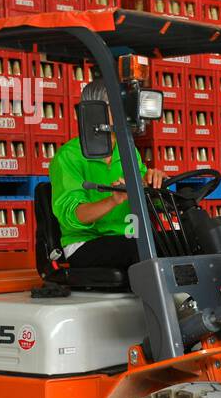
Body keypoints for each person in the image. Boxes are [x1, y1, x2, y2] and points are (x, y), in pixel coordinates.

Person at [48, 80, 168, 269]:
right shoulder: (68, 156)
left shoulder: (127, 150)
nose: (127, 114)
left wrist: (153, 182)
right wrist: (113, 200)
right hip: (85, 243)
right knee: (141, 249)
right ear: (96, 111)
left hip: (127, 237)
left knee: (187, 239)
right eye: (119, 107)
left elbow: (147, 195)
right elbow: (72, 217)